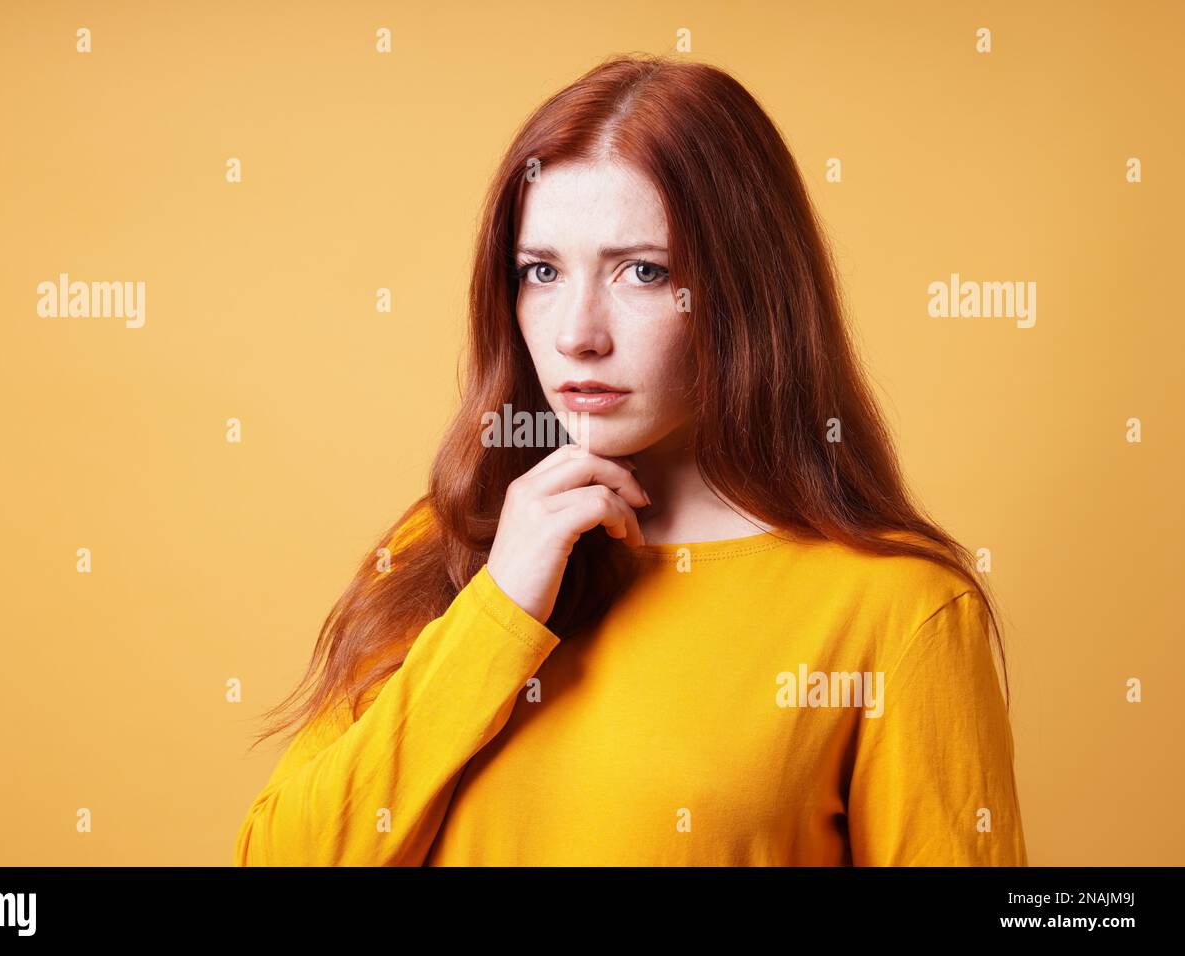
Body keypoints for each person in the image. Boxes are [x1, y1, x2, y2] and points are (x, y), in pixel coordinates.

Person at [233, 53, 1028, 866]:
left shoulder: (898, 610)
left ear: (747, 289)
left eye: (643, 272)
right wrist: (497, 611)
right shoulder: (449, 541)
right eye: (541, 272)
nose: (578, 331)